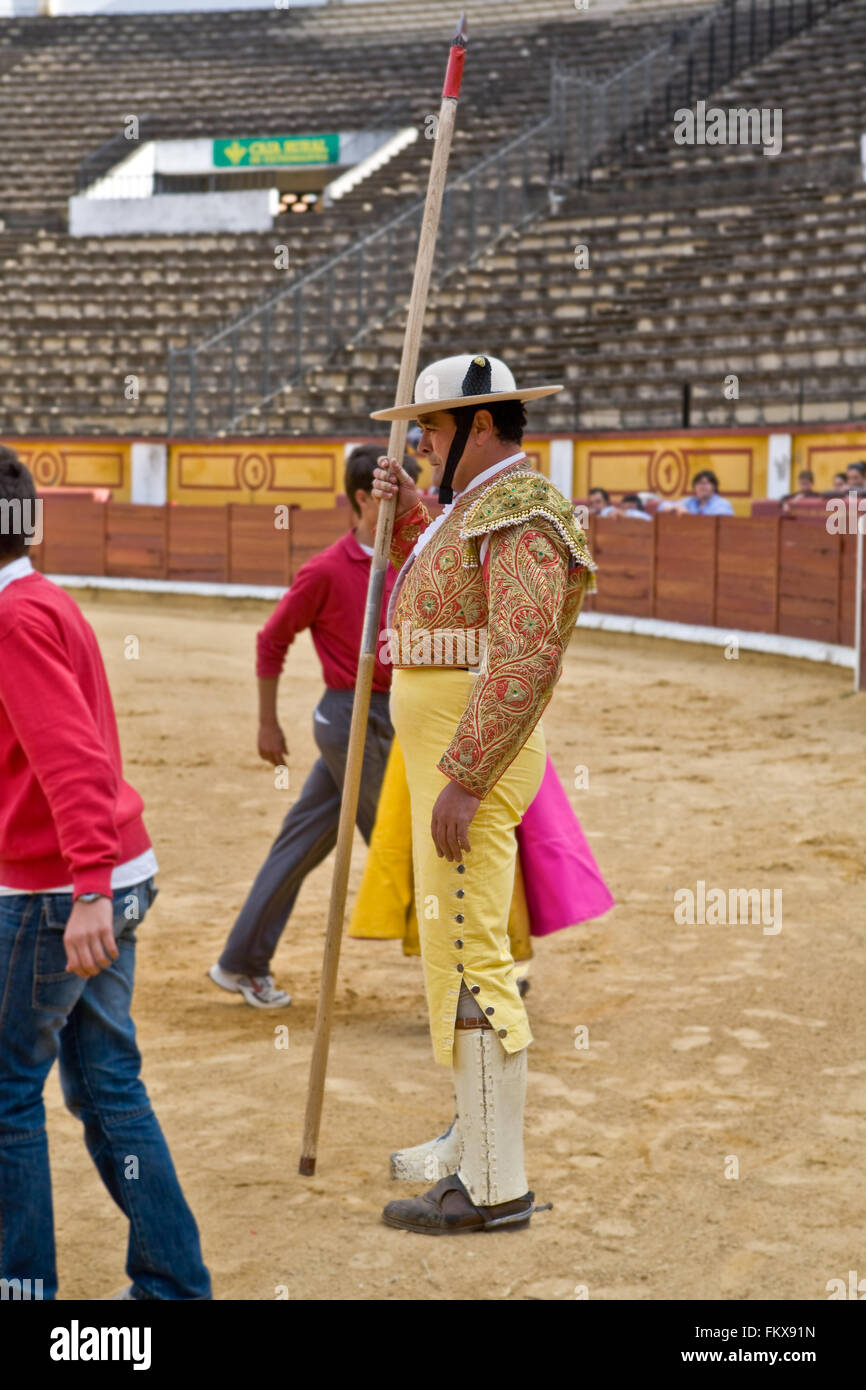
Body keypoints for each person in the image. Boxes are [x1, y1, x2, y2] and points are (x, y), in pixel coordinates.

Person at [369, 352, 597, 1234]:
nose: (421, 442)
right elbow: (448, 602)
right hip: (452, 762)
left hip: (472, 770)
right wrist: (407, 521)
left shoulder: (524, 512)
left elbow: (525, 651)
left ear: (482, 425)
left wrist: (466, 776)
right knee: (452, 954)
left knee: (471, 961)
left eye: (428, 428)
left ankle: (496, 1184)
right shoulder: (477, 509)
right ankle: (473, 1140)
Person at [0, 447, 210, 1301]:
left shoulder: (11, 620)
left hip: (60, 895)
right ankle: (171, 1286)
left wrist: (86, 886)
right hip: (109, 877)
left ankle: (21, 1291)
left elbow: (71, 759)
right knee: (106, 1086)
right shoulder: (42, 603)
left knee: (7, 1095)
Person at [208, 444, 397, 1008]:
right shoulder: (325, 569)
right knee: (401, 846)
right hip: (352, 719)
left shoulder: (411, 556)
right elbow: (271, 639)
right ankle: (471, 978)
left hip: (387, 719)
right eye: (391, 492)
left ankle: (240, 963)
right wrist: (266, 724)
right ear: (363, 498)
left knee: (300, 843)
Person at [661, 469, 734, 516]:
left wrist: (688, 517)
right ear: (694, 488)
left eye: (706, 483)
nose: (702, 486)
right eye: (699, 483)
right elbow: (661, 506)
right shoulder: (690, 501)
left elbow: (712, 524)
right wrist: (673, 508)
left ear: (714, 486)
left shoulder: (722, 504)